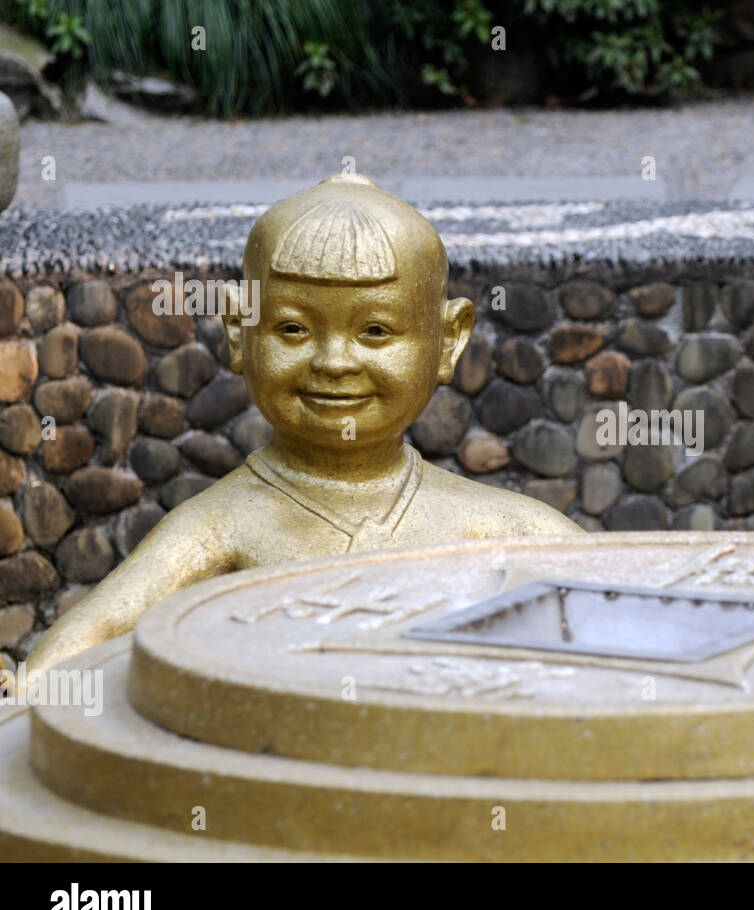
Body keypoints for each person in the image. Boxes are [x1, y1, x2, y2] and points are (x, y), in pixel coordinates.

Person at [22, 174, 579, 679]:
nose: (334, 362)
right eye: (292, 329)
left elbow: (622, 601)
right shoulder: (220, 528)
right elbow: (89, 636)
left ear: (448, 340)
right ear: (241, 331)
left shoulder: (498, 526)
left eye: (377, 332)